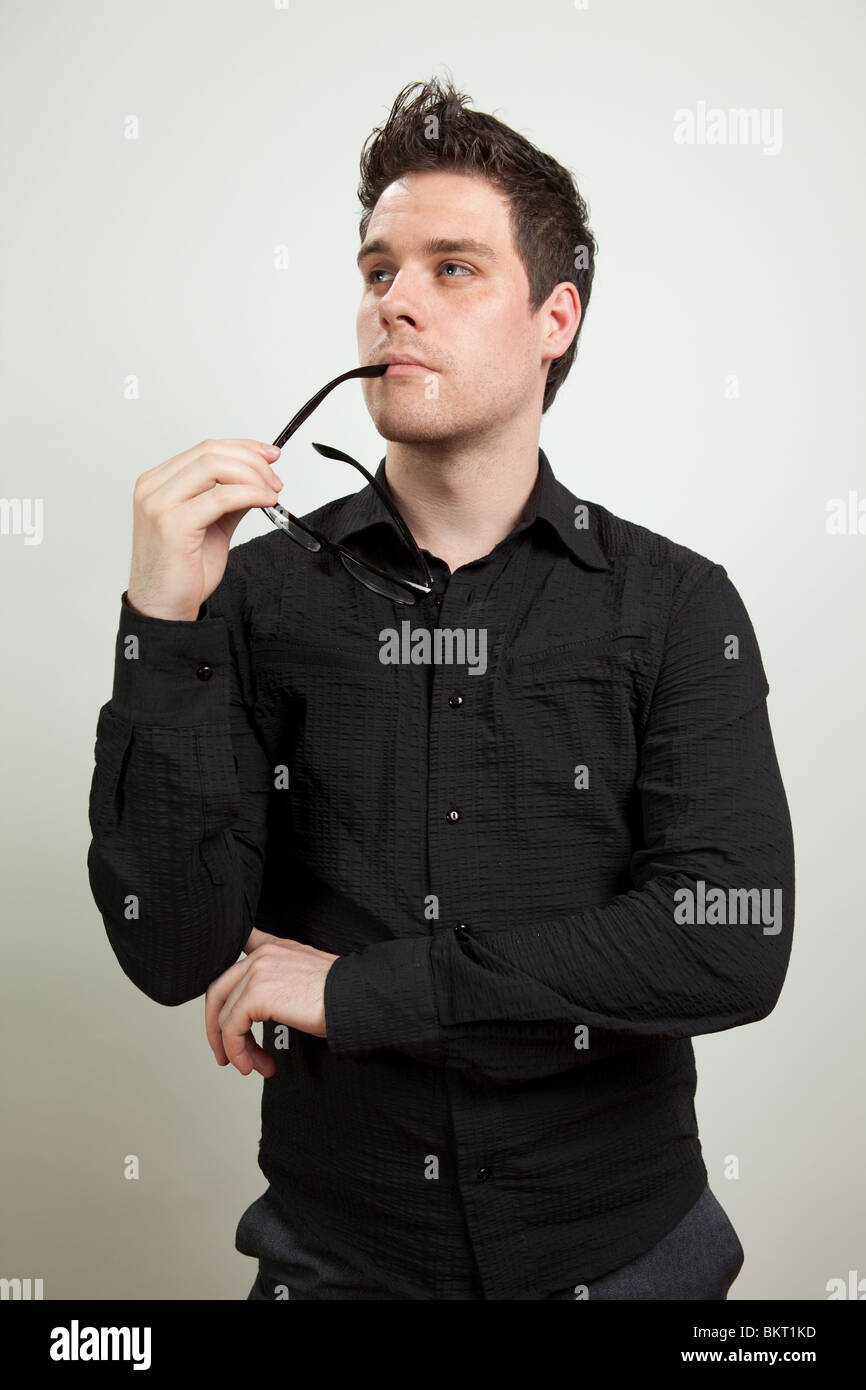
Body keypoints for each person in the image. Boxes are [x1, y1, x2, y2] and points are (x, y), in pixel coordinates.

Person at [87, 75, 794, 1300]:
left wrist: (362, 988)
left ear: (554, 318)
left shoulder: (674, 604)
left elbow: (728, 939)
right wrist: (163, 620)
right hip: (342, 1259)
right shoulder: (250, 598)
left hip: (627, 1260)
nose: (393, 302)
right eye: (375, 272)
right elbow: (174, 947)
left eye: (451, 268)